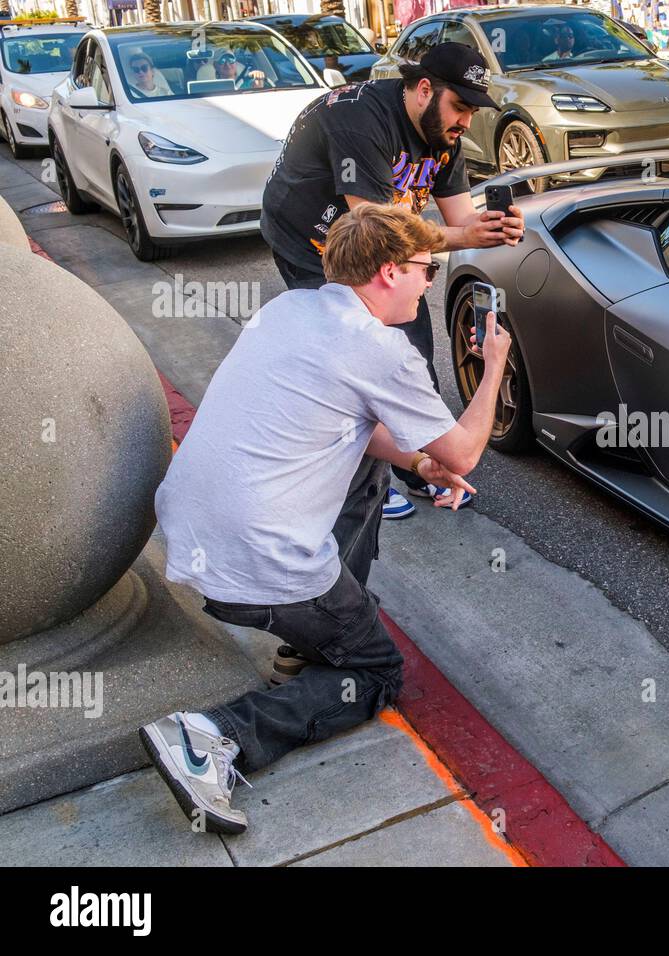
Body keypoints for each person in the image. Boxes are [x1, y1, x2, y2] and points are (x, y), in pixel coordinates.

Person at [141, 204, 513, 835]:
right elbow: (466, 452)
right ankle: (210, 735)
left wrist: (418, 464)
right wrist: (494, 363)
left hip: (191, 531)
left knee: (370, 469)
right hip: (257, 565)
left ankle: (315, 633)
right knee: (375, 672)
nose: (429, 284)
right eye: (427, 270)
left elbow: (354, 428)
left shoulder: (289, 309)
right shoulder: (382, 350)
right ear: (390, 271)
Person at [260, 41, 524, 539]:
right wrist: (464, 236)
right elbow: (374, 228)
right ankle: (364, 483)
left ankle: (418, 466)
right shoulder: (361, 120)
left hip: (384, 239)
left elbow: (460, 221)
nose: (466, 122)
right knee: (351, 360)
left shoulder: (443, 133)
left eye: (473, 110)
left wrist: (493, 227)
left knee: (410, 351)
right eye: (460, 106)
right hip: (313, 242)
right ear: (424, 89)